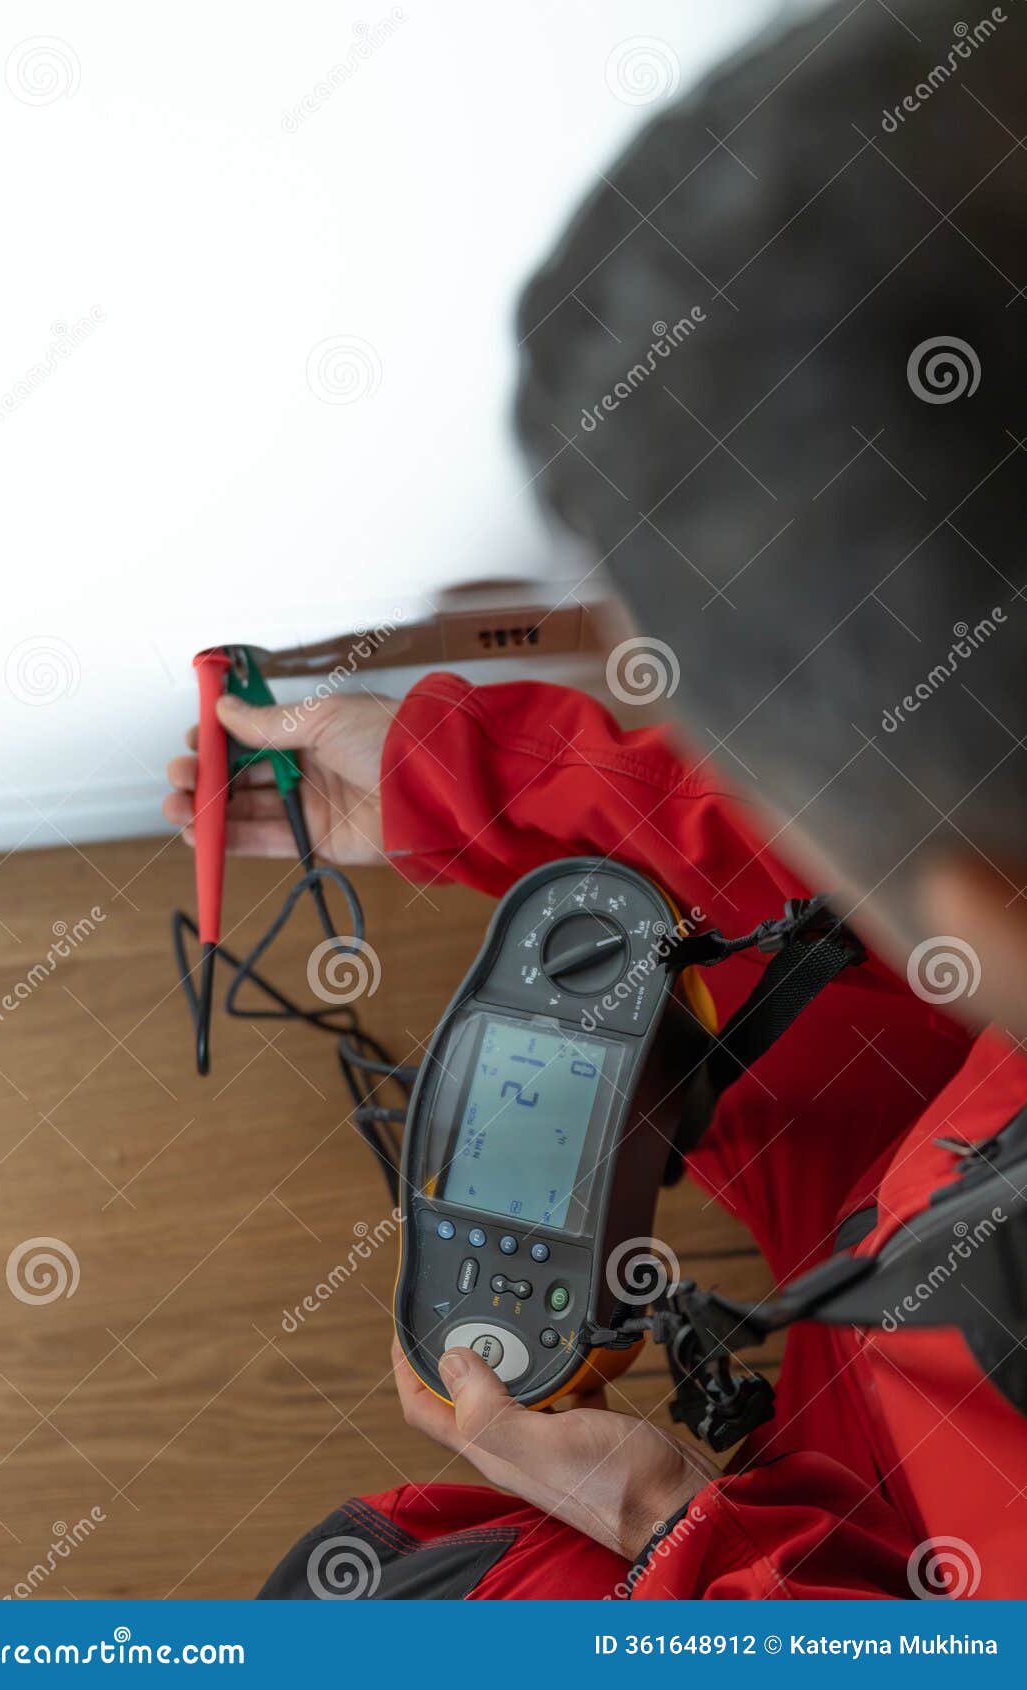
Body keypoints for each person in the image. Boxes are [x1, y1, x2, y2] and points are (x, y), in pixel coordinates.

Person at [165, 0, 1027, 1598]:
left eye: (711, 715)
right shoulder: (973, 888)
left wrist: (674, 1528)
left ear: (974, 892)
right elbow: (867, 896)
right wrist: (459, 773)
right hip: (888, 1247)